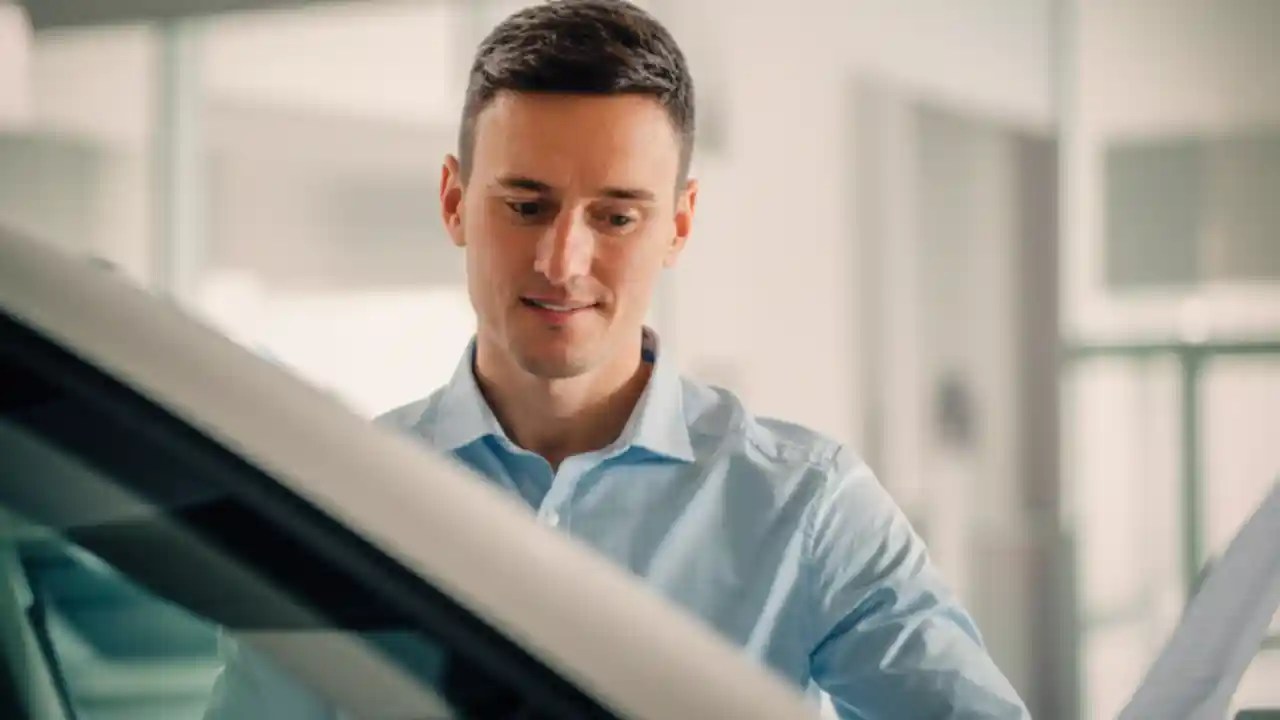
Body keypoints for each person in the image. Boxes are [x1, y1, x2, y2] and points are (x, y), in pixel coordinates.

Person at [207, 1, 1029, 717]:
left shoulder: (806, 507)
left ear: (679, 224)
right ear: (455, 202)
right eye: (526, 205)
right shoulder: (335, 504)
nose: (562, 262)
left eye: (617, 217)